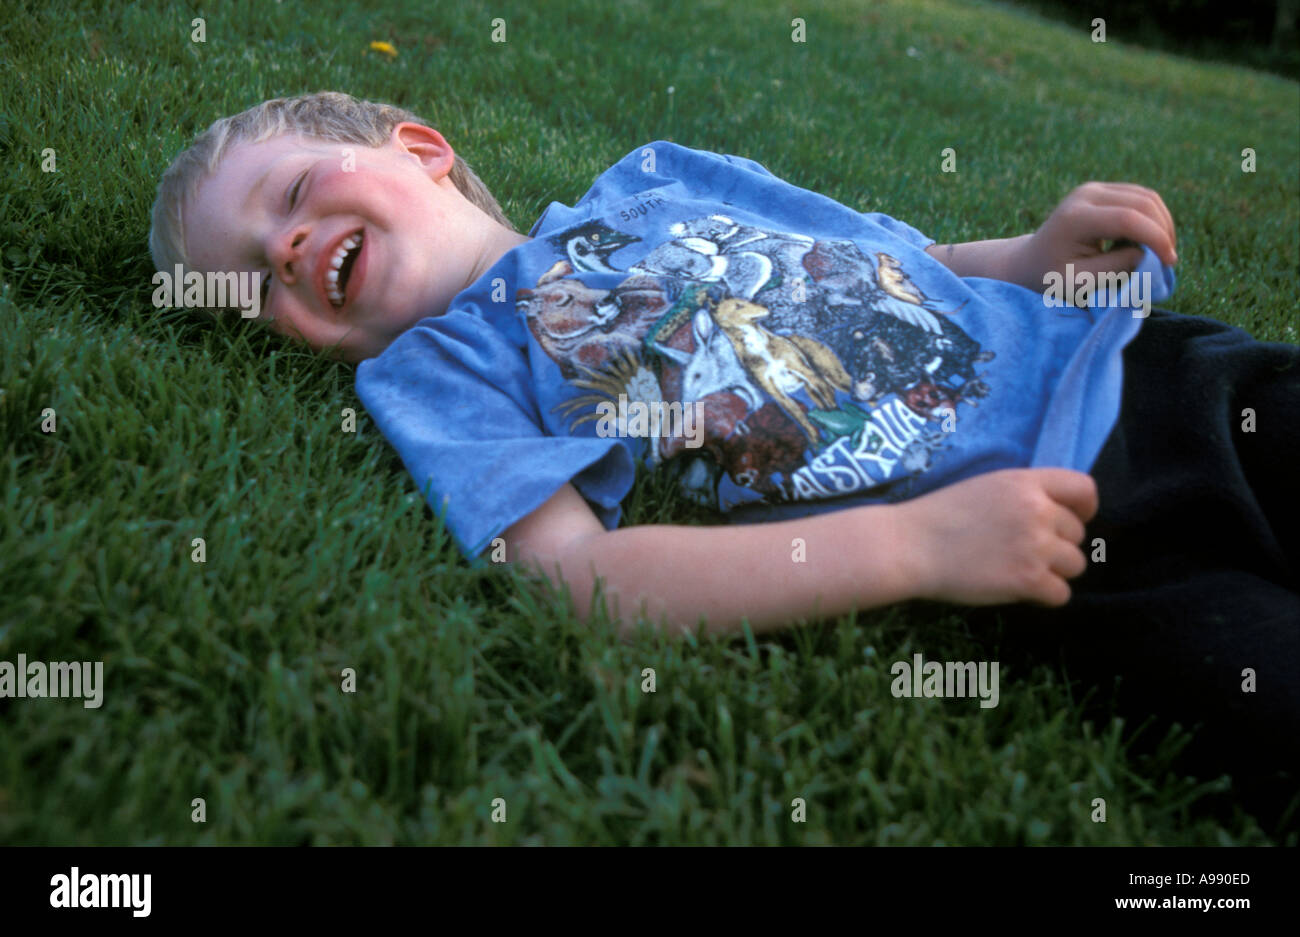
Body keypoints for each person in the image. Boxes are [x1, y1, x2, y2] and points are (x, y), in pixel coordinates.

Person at [151, 91, 1297, 828]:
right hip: (1072, 545)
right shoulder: (433, 381)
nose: (287, 249)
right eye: (253, 284)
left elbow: (894, 256)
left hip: (1161, 374)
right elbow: (576, 582)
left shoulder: (655, 176)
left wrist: (1035, 254)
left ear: (420, 148)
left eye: (293, 194)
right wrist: (911, 543)